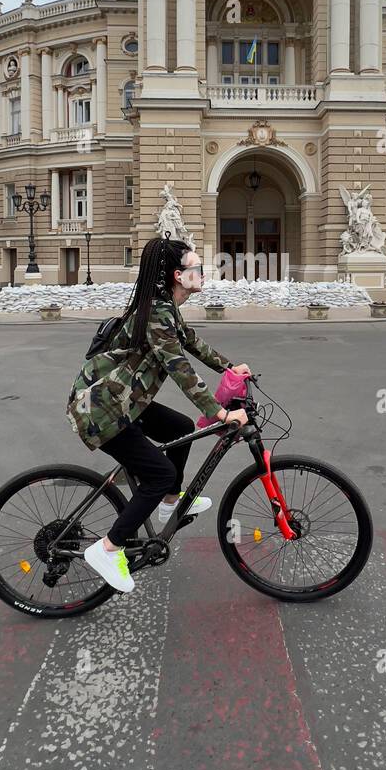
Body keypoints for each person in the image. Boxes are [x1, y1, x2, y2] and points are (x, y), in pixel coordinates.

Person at [66, 235, 251, 593]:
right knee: (160, 473)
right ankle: (108, 548)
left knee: (180, 428)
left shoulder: (166, 308)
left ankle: (170, 505)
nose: (203, 272)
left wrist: (232, 369)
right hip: (103, 411)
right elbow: (179, 367)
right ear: (179, 275)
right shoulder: (156, 313)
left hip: (122, 401)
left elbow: (193, 344)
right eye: (197, 267)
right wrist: (218, 413)